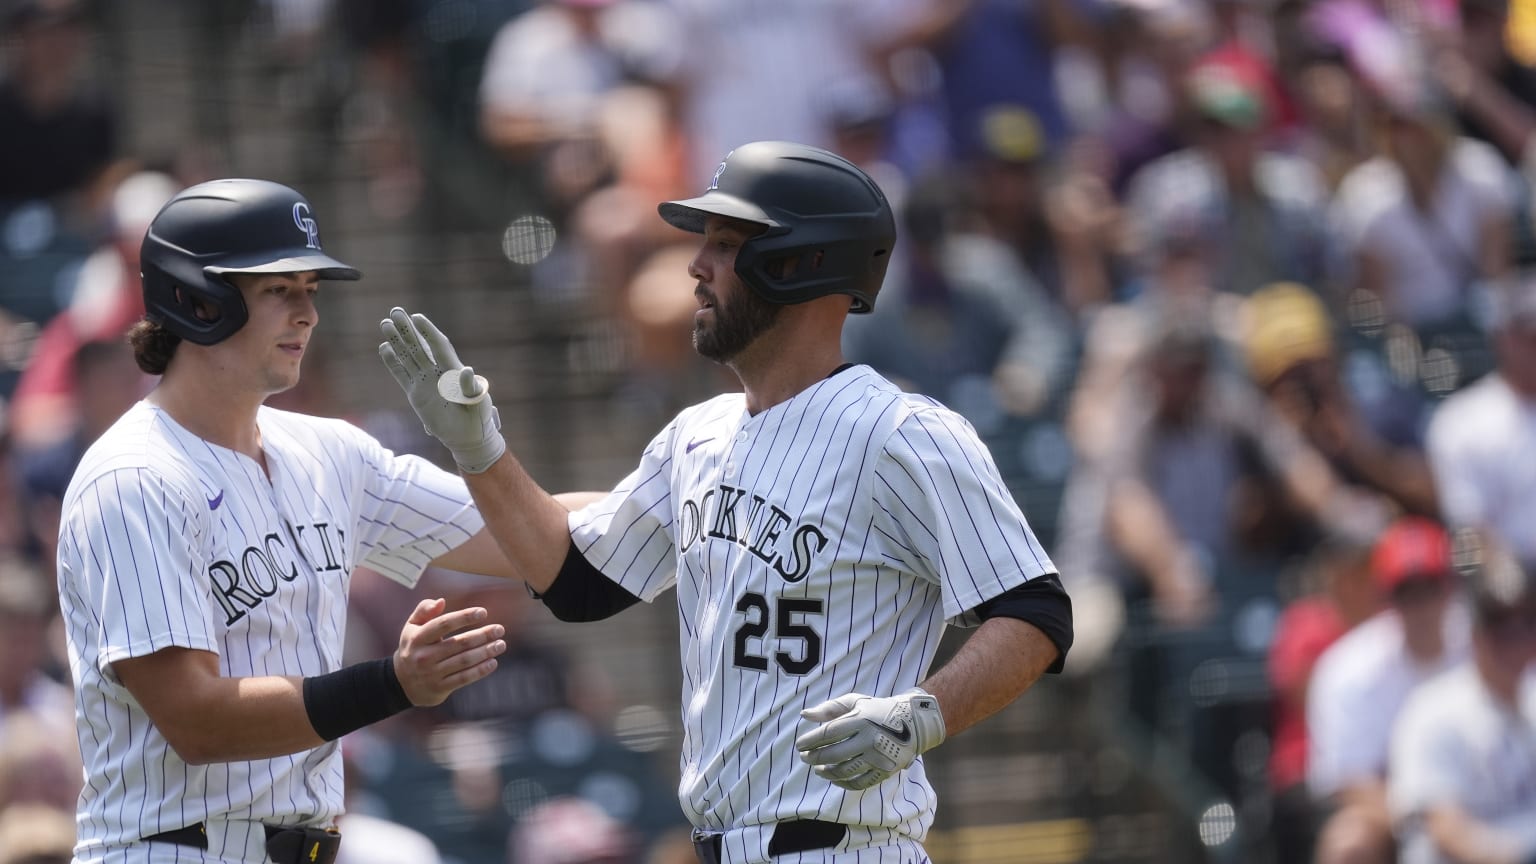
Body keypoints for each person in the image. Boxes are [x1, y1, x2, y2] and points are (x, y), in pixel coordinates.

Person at [379, 140, 1075, 863]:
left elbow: (1035, 612)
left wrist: (920, 717)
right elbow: (576, 581)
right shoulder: (695, 435)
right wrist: (482, 451)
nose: (696, 265)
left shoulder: (903, 432)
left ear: (801, 262)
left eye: (726, 243)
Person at [54, 178, 546, 864]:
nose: (307, 314)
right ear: (199, 300)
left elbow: (526, 533)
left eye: (312, 290)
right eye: (280, 289)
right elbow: (196, 721)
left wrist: (677, 500)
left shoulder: (326, 451)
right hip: (170, 849)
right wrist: (394, 684)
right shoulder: (135, 478)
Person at [1306, 516, 1470, 864]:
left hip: (1487, 798)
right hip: (1400, 818)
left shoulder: (1489, 645)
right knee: (1348, 843)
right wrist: (1427, 820)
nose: (1420, 606)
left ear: (1449, 588)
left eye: (1429, 587)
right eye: (1406, 592)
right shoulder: (1349, 670)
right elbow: (1350, 783)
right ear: (1385, 598)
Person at [1387, 532, 1536, 864]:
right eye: (1502, 623)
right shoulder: (1433, 710)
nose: (1518, 637)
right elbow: (1448, 833)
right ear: (1475, 633)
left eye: (1528, 622)